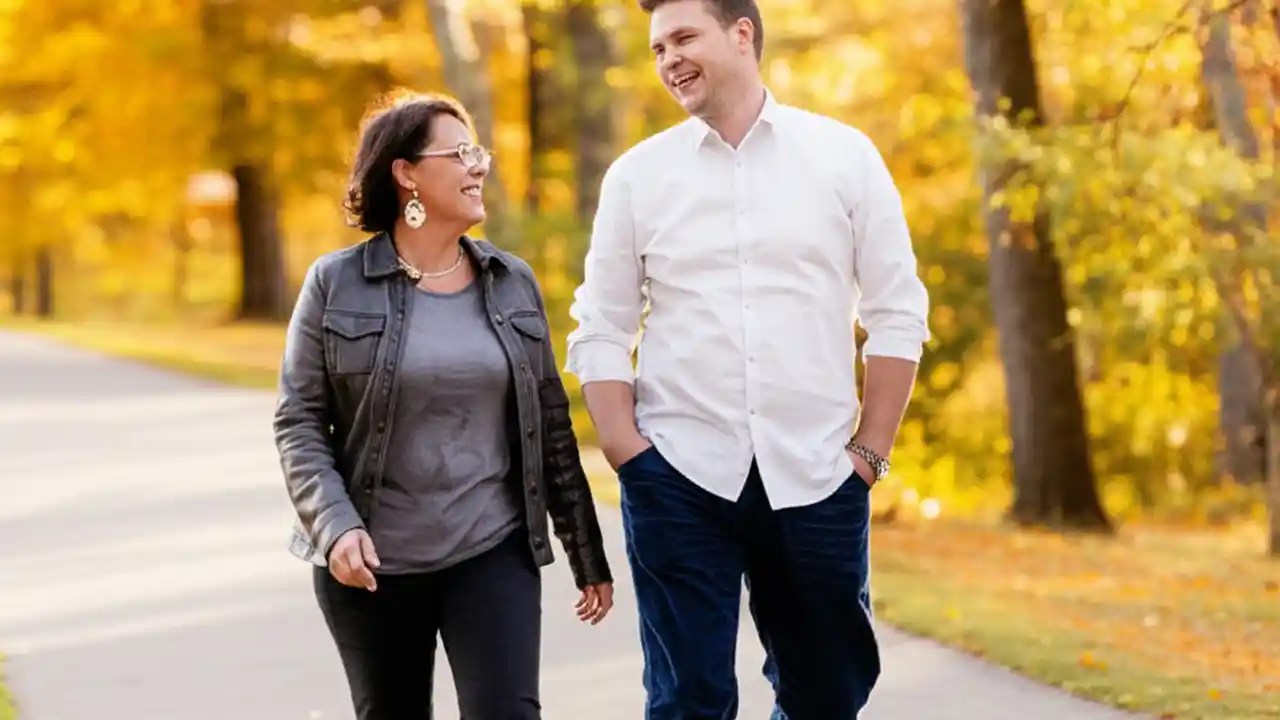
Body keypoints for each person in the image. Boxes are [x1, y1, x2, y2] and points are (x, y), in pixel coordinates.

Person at [564, 0, 931, 717]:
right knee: (688, 699)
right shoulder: (637, 177)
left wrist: (869, 455)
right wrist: (628, 454)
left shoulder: (843, 156)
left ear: (742, 35)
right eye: (657, 48)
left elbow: (896, 313)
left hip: (820, 475)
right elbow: (600, 325)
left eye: (683, 38)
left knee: (827, 693)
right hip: (678, 474)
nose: (668, 59)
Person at [273, 92, 614, 720]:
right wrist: (336, 524)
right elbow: (298, 422)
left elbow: (550, 422)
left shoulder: (511, 280)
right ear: (406, 173)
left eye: (477, 151)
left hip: (491, 548)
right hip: (373, 563)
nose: (478, 165)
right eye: (460, 153)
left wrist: (585, 551)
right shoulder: (335, 283)